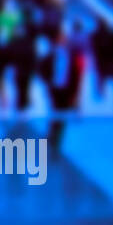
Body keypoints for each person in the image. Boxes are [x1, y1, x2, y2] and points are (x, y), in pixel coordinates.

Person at [42, 23, 83, 153]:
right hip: (55, 89)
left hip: (66, 90)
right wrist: (48, 82)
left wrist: (75, 93)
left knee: (63, 115)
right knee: (55, 112)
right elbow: (42, 68)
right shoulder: (52, 54)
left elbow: (77, 76)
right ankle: (51, 135)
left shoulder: (72, 56)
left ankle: (57, 140)